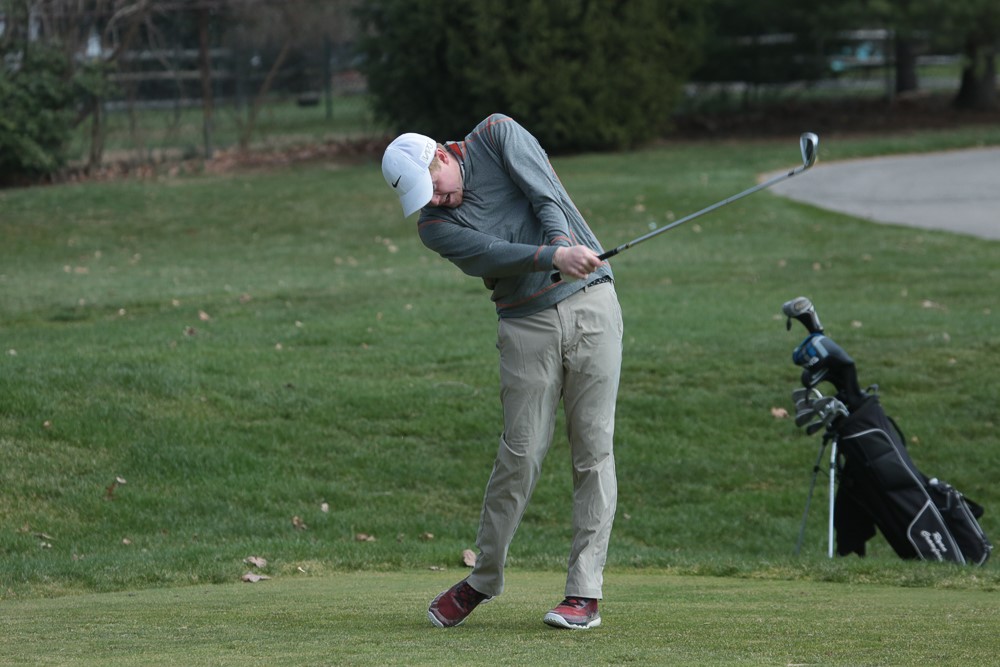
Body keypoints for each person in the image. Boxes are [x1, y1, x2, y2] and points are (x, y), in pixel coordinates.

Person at [381, 113, 623, 630]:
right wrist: (556, 253)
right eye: (425, 197)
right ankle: (483, 578)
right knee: (519, 453)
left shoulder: (495, 135)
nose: (435, 200)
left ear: (441, 155)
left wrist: (566, 248)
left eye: (435, 187)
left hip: (592, 305)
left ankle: (584, 593)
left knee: (593, 450)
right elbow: (490, 254)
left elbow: (545, 193)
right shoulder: (434, 227)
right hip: (525, 324)